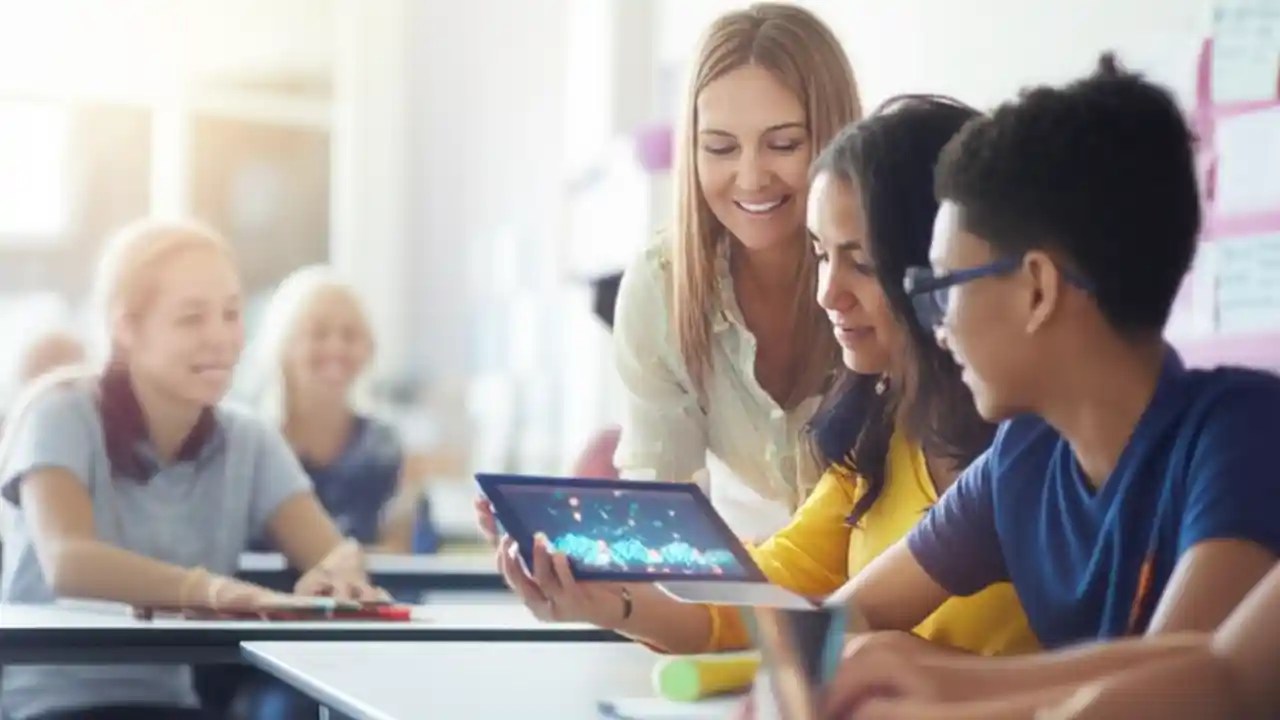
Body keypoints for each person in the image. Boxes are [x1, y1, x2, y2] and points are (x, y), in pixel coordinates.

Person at [478, 97, 1038, 659]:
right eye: (821, 256)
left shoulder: (1034, 451)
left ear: (942, 261)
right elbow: (774, 594)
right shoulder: (880, 438)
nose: (828, 294)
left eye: (862, 263)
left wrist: (921, 671)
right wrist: (615, 603)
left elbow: (843, 628)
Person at [818, 55, 1280, 719]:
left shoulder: (1245, 434)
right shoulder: (1023, 455)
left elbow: (1185, 683)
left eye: (945, 288)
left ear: (1037, 289)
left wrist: (940, 686)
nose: (939, 329)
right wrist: (871, 667)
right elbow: (849, 616)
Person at [0, 219, 384, 720]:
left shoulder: (247, 439)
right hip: (47, 705)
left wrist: (341, 578)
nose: (221, 338)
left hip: (170, 704)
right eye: (191, 319)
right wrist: (214, 592)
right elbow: (69, 561)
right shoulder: (61, 413)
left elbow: (333, 552)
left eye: (231, 314)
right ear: (126, 329)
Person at [609, 2, 861, 539]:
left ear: (835, 136)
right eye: (720, 148)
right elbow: (659, 516)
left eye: (784, 144)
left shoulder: (886, 273)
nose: (750, 177)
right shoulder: (662, 285)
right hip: (772, 573)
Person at [249, 265, 422, 553]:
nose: (336, 348)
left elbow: (397, 556)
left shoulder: (386, 448)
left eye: (350, 335)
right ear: (283, 345)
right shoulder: (251, 446)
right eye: (318, 334)